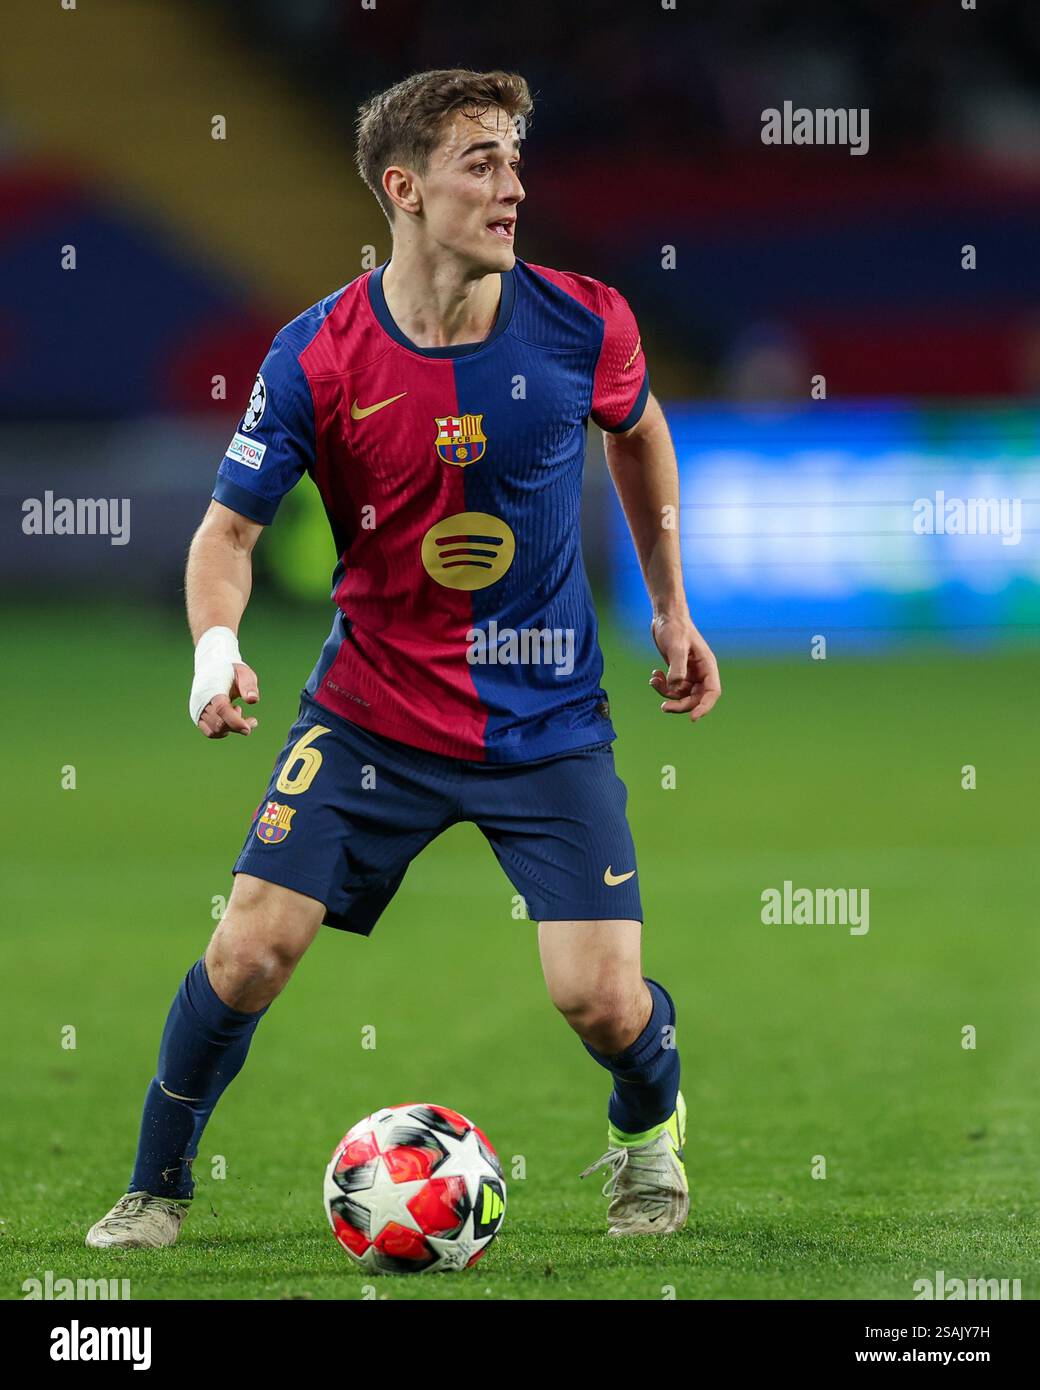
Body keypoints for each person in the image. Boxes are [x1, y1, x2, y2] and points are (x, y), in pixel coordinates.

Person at [86, 68, 721, 1253]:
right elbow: (225, 534)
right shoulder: (316, 356)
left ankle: (647, 1127)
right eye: (481, 162)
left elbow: (637, 434)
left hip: (544, 722)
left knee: (597, 998)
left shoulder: (585, 319)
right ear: (404, 187)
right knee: (247, 949)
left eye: (516, 161)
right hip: (369, 713)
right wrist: (213, 649)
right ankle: (155, 1186)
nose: (513, 188)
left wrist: (670, 605)